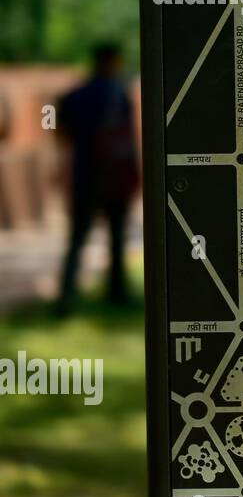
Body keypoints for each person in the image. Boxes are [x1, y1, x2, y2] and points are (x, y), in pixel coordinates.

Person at [55, 43, 138, 313]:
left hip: (86, 174)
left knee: (78, 238)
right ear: (113, 61)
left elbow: (58, 130)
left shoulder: (75, 96)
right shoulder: (118, 95)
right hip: (113, 176)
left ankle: (66, 298)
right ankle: (116, 294)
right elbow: (126, 139)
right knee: (115, 239)